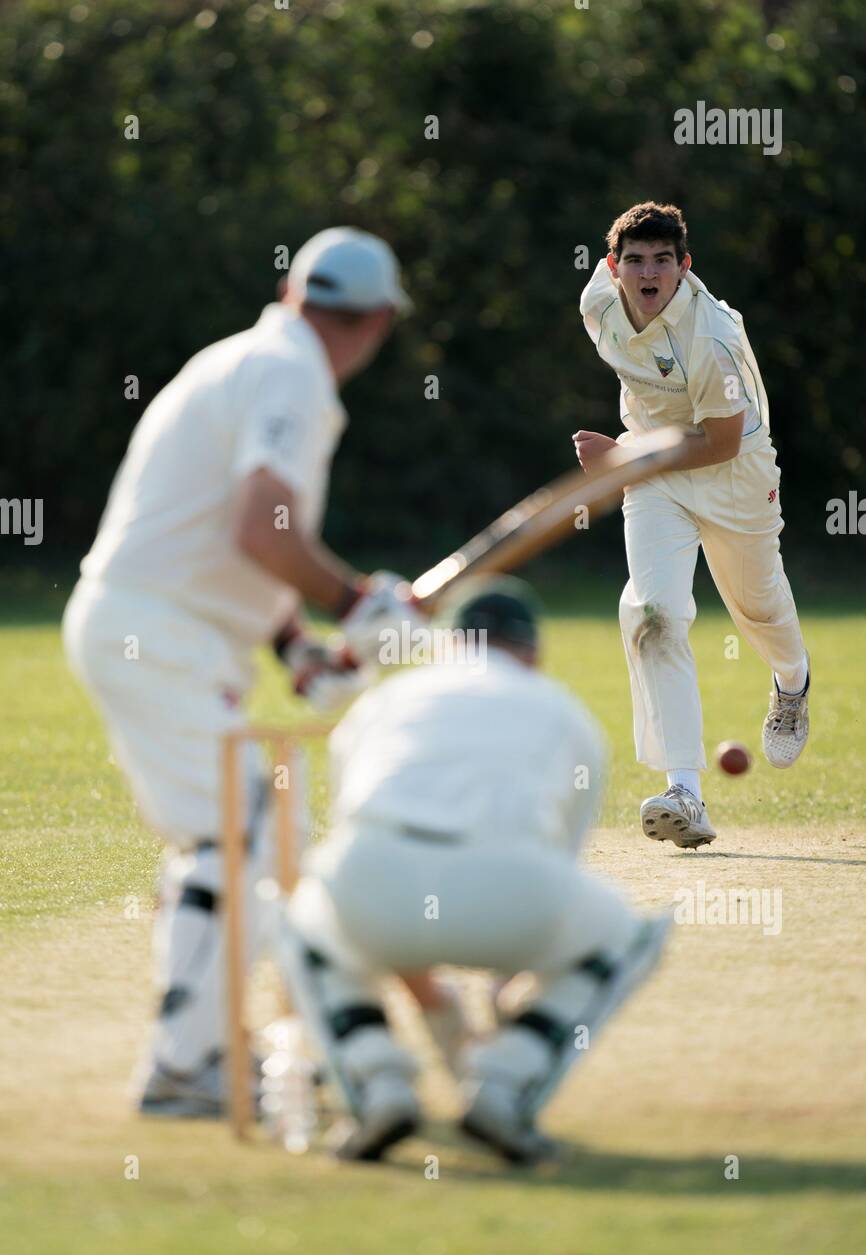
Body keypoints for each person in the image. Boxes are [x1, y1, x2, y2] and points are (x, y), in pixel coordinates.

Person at [63, 226, 423, 1116]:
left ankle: (204, 1055)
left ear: (299, 293)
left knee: (241, 835)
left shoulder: (245, 359)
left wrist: (296, 645)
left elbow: (236, 538)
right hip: (159, 633)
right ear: (377, 322)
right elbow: (262, 528)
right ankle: (194, 1064)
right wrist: (355, 603)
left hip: (154, 629)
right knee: (249, 831)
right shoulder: (291, 374)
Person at [277, 579, 670, 1164]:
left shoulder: (388, 698)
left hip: (374, 882)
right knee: (633, 935)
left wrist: (424, 984)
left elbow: (355, 829)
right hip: (512, 895)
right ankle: (505, 1086)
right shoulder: (566, 712)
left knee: (303, 921)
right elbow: (559, 862)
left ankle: (379, 1084)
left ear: (448, 644)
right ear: (532, 653)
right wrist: (510, 978)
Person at [576, 202, 810, 849]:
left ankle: (792, 681)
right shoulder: (599, 304)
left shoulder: (708, 338)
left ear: (684, 267)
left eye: (661, 261)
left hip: (734, 469)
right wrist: (636, 458)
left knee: (757, 608)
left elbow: (723, 442)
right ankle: (685, 790)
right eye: (634, 261)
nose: (648, 274)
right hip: (656, 470)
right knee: (654, 613)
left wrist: (621, 458)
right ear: (612, 267)